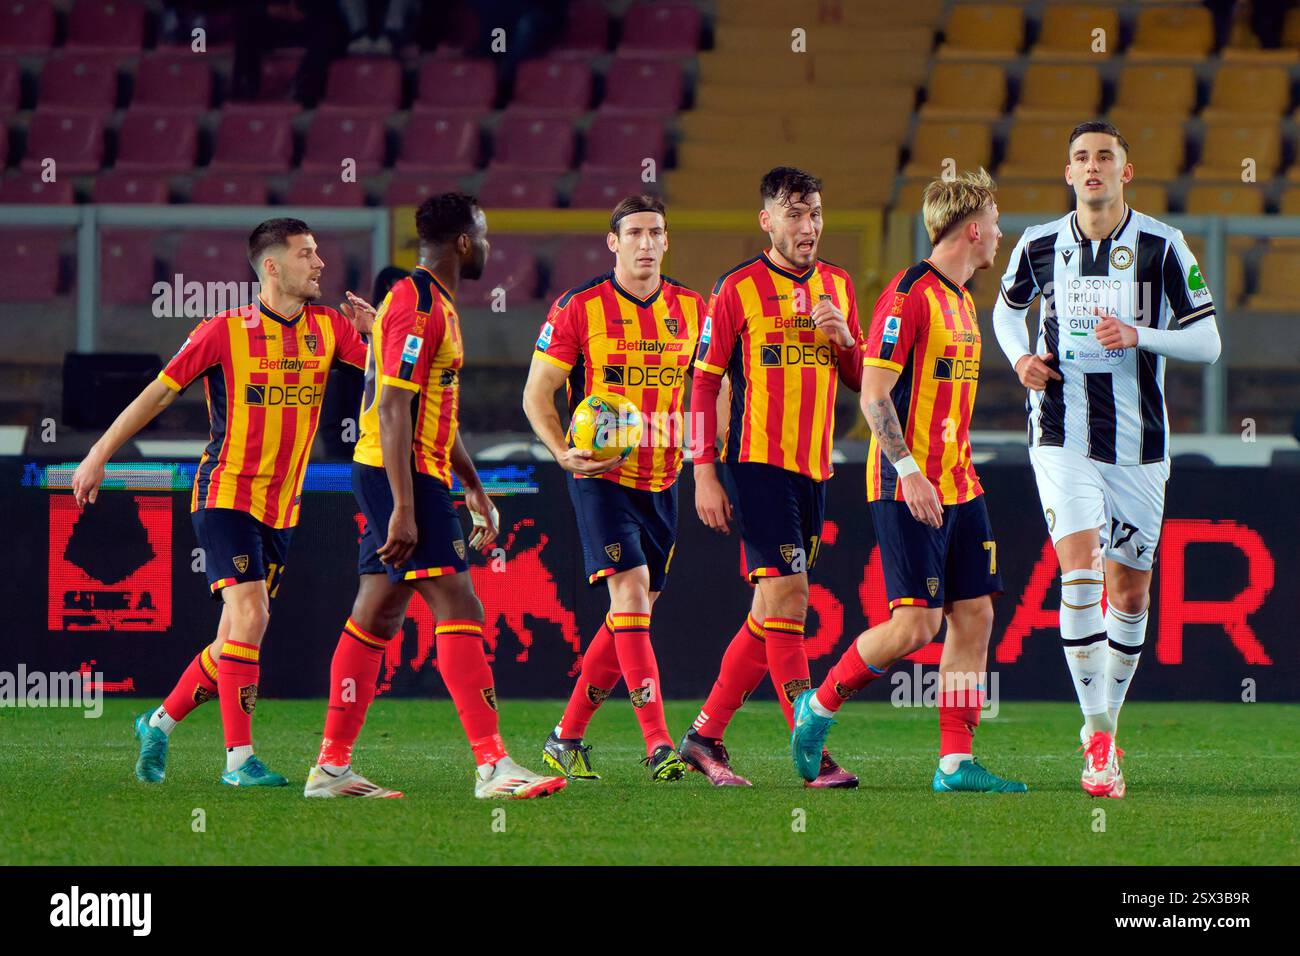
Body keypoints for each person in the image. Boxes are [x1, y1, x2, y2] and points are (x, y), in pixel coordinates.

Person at [72, 218, 371, 787]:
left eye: (318, 253)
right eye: (307, 254)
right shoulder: (222, 330)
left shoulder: (331, 329)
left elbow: (396, 380)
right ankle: (239, 761)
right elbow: (159, 391)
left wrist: (378, 334)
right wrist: (99, 454)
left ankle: (157, 723)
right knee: (251, 615)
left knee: (233, 637)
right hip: (225, 492)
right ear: (272, 266)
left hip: (282, 507)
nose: (321, 264)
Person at [304, 192, 566, 800]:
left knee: (378, 610)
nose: (492, 247)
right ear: (465, 242)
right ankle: (493, 766)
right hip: (401, 476)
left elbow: (432, 412)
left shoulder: (433, 305)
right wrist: (402, 505)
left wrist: (474, 487)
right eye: (486, 234)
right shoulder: (418, 303)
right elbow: (393, 408)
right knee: (460, 604)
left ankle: (331, 768)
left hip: (410, 472)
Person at [991, 121, 1220, 798]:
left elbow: (1207, 342)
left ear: (1126, 172)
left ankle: (1107, 732)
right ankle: (1095, 741)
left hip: (1140, 444)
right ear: (1068, 175)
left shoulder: (1163, 246)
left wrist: (1142, 334)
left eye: (1105, 158)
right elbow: (1006, 314)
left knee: (1130, 591)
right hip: (1060, 432)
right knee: (1080, 569)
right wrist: (1021, 360)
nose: (1092, 168)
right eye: (1082, 158)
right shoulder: (1037, 245)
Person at [791, 171, 1027, 793]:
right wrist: (910, 471)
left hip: (961, 483)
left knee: (974, 615)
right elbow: (873, 398)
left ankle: (955, 763)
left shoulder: (965, 299)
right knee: (916, 626)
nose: (1001, 235)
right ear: (973, 229)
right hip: (907, 484)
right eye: (997, 224)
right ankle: (818, 707)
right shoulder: (908, 293)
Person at [680, 166, 863, 788]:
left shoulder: (838, 284)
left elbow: (864, 380)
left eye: (814, 213)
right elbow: (704, 383)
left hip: (814, 469)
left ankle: (704, 738)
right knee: (790, 600)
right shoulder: (736, 288)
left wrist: (844, 343)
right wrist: (704, 471)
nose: (807, 226)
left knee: (767, 615)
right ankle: (809, 750)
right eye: (794, 214)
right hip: (757, 465)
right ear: (767, 221)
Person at [522, 194, 704, 782]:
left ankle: (565, 737)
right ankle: (658, 745)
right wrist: (561, 452)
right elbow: (537, 393)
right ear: (614, 242)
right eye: (635, 234)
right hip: (601, 478)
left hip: (664, 478)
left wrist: (708, 449)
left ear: (667, 240)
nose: (646, 244)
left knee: (632, 614)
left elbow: (712, 385)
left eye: (656, 233)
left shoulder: (692, 309)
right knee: (629, 599)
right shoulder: (580, 307)